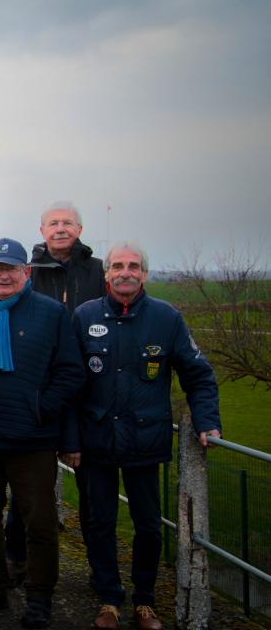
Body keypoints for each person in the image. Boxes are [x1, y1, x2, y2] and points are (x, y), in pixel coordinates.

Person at [74, 242, 221, 630]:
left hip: (145, 441)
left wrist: (207, 421)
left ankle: (145, 601)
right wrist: (69, 439)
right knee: (100, 523)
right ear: (106, 273)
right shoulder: (84, 316)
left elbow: (199, 375)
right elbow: (70, 381)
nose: (126, 272)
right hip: (97, 441)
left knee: (149, 526)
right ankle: (109, 599)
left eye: (134, 266)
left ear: (145, 274)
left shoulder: (166, 318)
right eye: (118, 265)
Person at [0, 238, 85, 628]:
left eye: (11, 268)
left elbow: (70, 371)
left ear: (26, 272)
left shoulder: (51, 313)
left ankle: (39, 596)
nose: (3, 275)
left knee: (39, 523)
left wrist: (41, 409)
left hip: (31, 442)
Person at [4, 200, 106, 585]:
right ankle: (17, 559)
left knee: (94, 495)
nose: (60, 229)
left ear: (80, 229)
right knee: (25, 491)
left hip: (89, 396)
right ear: (42, 231)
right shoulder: (29, 273)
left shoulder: (98, 272)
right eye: (53, 223)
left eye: (67, 223)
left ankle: (100, 570)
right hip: (41, 395)